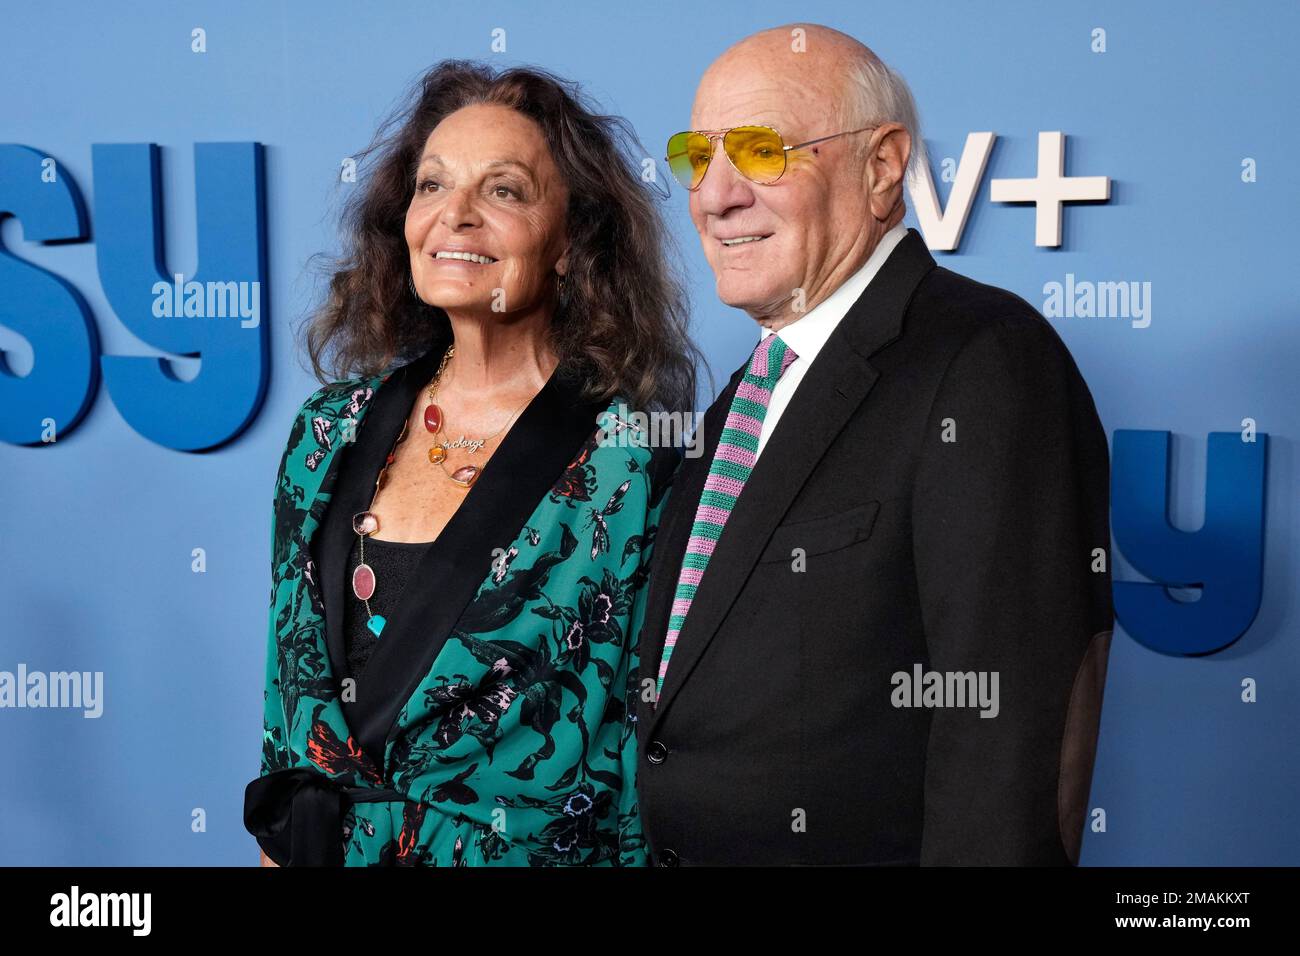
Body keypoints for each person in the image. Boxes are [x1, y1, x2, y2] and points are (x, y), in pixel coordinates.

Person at [637, 24, 1114, 865]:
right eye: (694, 156)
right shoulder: (743, 397)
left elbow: (1006, 740)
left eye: (758, 150)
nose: (714, 195)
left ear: (884, 165)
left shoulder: (984, 359)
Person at [243, 60, 696, 866]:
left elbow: (641, 751)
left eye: (505, 191)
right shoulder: (328, 432)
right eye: (431, 186)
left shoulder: (636, 456)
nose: (455, 215)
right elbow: (290, 719)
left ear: (570, 242)